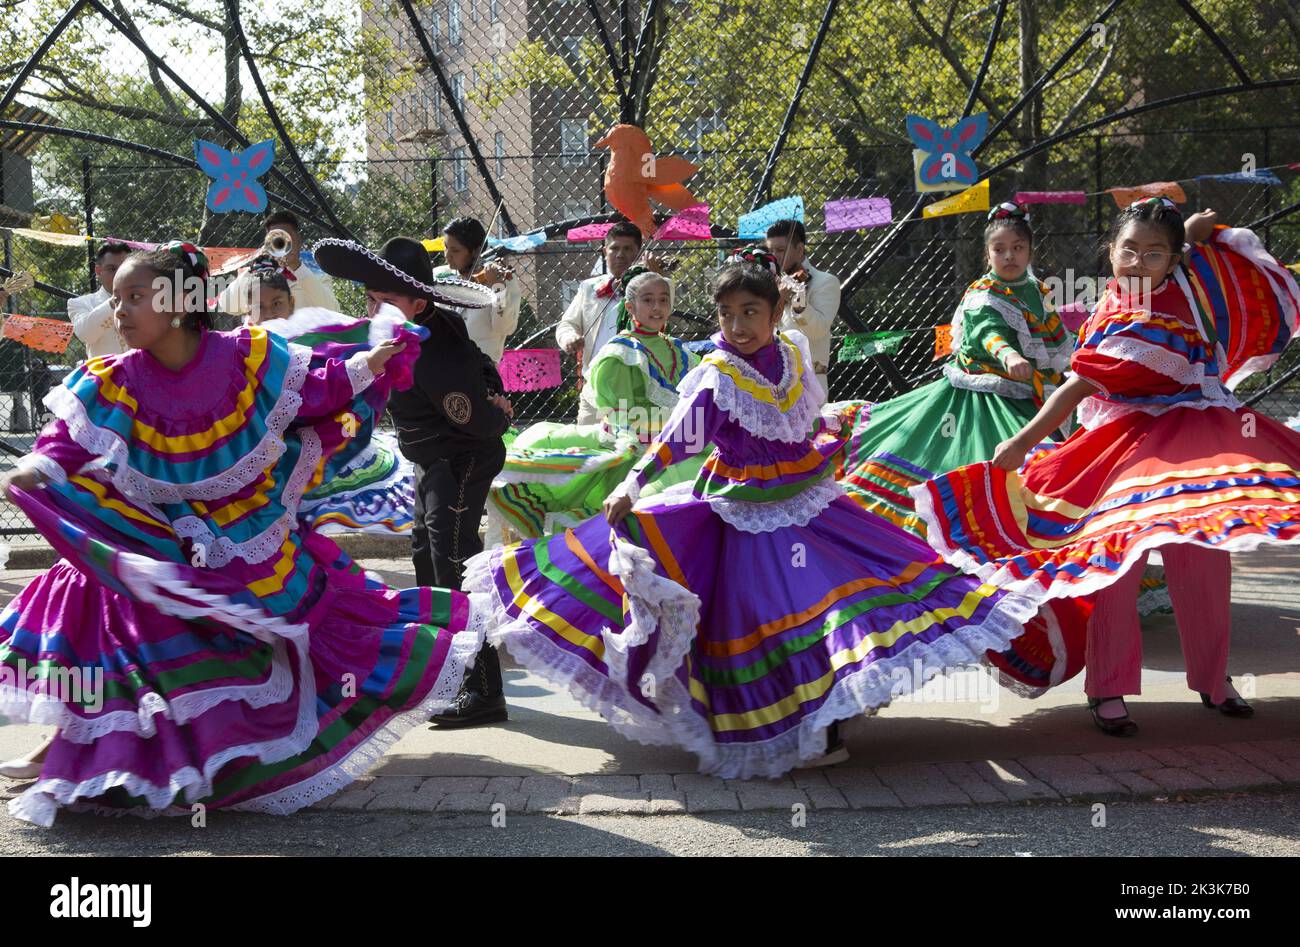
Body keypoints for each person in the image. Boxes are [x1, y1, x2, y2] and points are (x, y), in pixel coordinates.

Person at [465, 247, 1041, 779]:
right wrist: (634, 485)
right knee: (774, 614)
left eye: (749, 312)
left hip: (810, 500)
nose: (737, 326)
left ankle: (828, 716)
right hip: (747, 515)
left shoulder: (790, 352)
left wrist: (830, 425)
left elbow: (807, 417)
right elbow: (678, 438)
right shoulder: (717, 374)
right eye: (726, 314)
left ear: (773, 312)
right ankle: (804, 725)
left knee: (846, 598)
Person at [0, 242, 487, 823]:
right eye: (115, 299)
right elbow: (63, 444)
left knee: (278, 636)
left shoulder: (248, 356)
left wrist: (371, 362)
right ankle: (78, 744)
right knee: (84, 589)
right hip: (154, 532)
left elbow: (319, 390)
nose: (118, 313)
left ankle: (195, 756)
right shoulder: (112, 379)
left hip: (240, 529)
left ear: (179, 304)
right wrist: (31, 471)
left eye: (133, 297)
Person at [914, 199, 1300, 735]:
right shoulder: (1118, 311)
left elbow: (1197, 227)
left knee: (1204, 561)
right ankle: (1109, 689)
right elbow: (1077, 388)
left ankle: (1214, 681)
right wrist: (1024, 443)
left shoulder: (1182, 283)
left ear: (1172, 259)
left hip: (1194, 440)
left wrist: (1195, 227)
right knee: (1116, 566)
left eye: (1153, 253)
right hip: (1122, 449)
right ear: (1110, 251)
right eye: (1129, 250)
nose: (1138, 261)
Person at [314, 236, 513, 729]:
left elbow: (475, 419)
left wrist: (496, 407)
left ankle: (485, 691)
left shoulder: (434, 350)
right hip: (432, 459)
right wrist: (493, 387)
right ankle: (444, 672)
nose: (375, 308)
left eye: (387, 300)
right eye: (370, 297)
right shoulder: (406, 330)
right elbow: (483, 363)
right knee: (426, 551)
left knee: (453, 559)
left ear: (418, 303)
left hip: (463, 457)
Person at [489, 269, 703, 540]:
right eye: (648, 300)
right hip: (639, 447)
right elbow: (622, 415)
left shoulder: (681, 352)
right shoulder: (621, 353)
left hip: (679, 442)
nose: (657, 307)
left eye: (663, 300)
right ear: (630, 306)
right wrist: (665, 433)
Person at [240, 254, 418, 537]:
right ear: (246, 312)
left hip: (301, 450)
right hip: (250, 454)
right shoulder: (237, 350)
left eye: (277, 304)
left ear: (292, 305)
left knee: (292, 522)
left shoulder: (309, 346)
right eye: (259, 307)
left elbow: (328, 379)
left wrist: (373, 359)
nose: (270, 312)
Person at [555, 221, 664, 423]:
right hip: (594, 388)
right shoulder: (588, 288)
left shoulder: (653, 288)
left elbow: (659, 324)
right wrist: (570, 338)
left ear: (639, 253)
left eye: (628, 249)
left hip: (636, 389)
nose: (620, 254)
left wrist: (654, 279)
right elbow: (567, 324)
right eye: (614, 248)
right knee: (588, 446)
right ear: (604, 251)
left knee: (633, 449)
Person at [764, 219, 841, 391]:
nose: (775, 256)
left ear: (799, 249)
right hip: (771, 379)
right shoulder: (770, 282)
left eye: (781, 250)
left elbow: (818, 329)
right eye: (771, 250)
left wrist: (797, 304)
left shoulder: (825, 282)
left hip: (808, 383)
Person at [218, 210, 342, 316]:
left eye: (286, 236)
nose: (281, 243)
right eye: (275, 238)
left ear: (298, 241)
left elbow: (332, 310)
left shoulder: (317, 272)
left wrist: (297, 267)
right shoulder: (257, 270)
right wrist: (254, 268)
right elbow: (228, 306)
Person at [433, 216, 522, 363]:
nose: (447, 255)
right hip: (442, 363)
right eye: (445, 247)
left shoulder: (501, 280)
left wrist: (498, 289)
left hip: (482, 367)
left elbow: (504, 327)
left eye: (455, 250)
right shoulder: (439, 276)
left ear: (476, 251)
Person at [67, 241, 131, 359]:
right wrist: (114, 302)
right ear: (98, 271)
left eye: (124, 268)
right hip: (105, 375)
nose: (119, 274)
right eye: (112, 269)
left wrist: (177, 268)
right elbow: (85, 334)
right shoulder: (79, 303)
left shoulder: (147, 298)